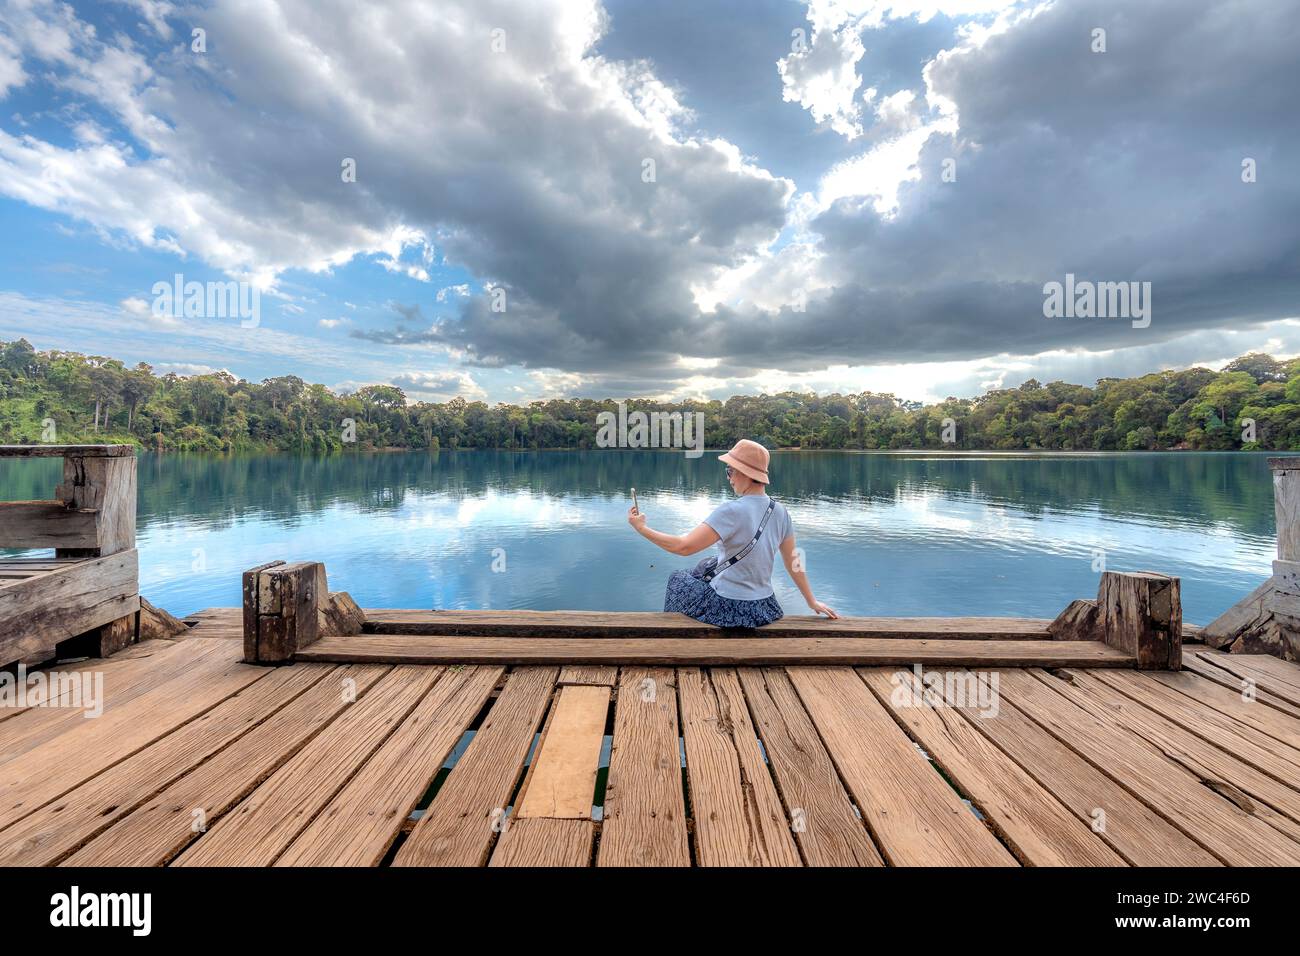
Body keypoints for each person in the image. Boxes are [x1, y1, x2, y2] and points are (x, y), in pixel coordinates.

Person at [627, 438, 839, 627]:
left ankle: (677, 638)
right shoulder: (781, 512)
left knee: (678, 579)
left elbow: (683, 547)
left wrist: (642, 528)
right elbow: (794, 560)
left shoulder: (731, 510)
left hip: (729, 607)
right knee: (706, 565)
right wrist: (811, 600)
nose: (728, 478)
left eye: (730, 471)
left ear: (746, 474)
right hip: (763, 607)